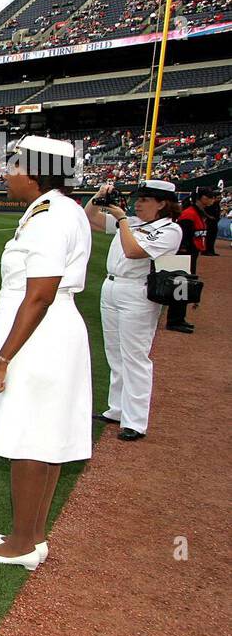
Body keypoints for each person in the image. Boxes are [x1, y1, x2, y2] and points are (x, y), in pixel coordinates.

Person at [0, 136, 92, 571]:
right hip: (47, 331)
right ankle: (33, 534)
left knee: (29, 436)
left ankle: (21, 544)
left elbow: (39, 294)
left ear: (36, 172)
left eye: (15, 166)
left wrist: (3, 359)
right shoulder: (61, 210)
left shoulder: (49, 217)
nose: (7, 174)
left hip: (38, 335)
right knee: (46, 436)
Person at [84, 179, 181, 441]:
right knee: (114, 352)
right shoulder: (134, 222)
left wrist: (123, 220)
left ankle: (136, 421)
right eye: (138, 199)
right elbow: (89, 218)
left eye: (145, 200)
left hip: (138, 293)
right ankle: (117, 409)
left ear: (162, 203)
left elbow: (133, 251)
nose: (138, 203)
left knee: (135, 356)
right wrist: (99, 195)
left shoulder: (170, 230)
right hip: (112, 286)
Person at [166, 187, 216, 332]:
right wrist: (183, 257)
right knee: (180, 287)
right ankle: (174, 320)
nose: (212, 199)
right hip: (184, 256)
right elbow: (182, 239)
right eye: (210, 196)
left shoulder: (198, 213)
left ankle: (179, 318)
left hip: (191, 255)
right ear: (201, 198)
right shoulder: (189, 214)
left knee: (185, 287)